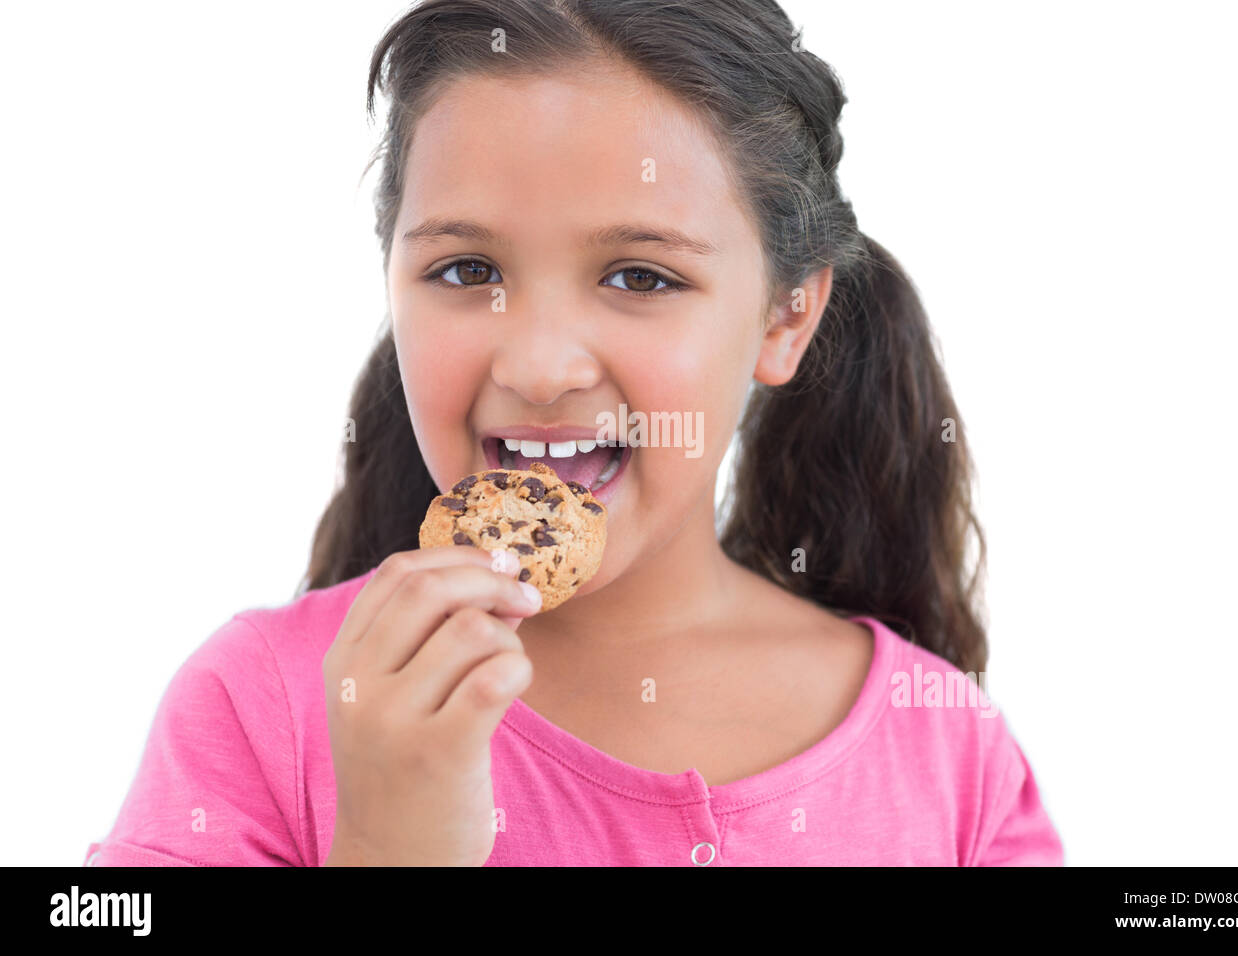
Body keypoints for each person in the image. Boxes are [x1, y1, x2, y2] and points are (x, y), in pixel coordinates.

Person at [85, 0, 1063, 867]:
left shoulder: (948, 754)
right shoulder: (257, 706)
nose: (540, 364)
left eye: (641, 276)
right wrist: (390, 845)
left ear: (783, 318)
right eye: (467, 271)